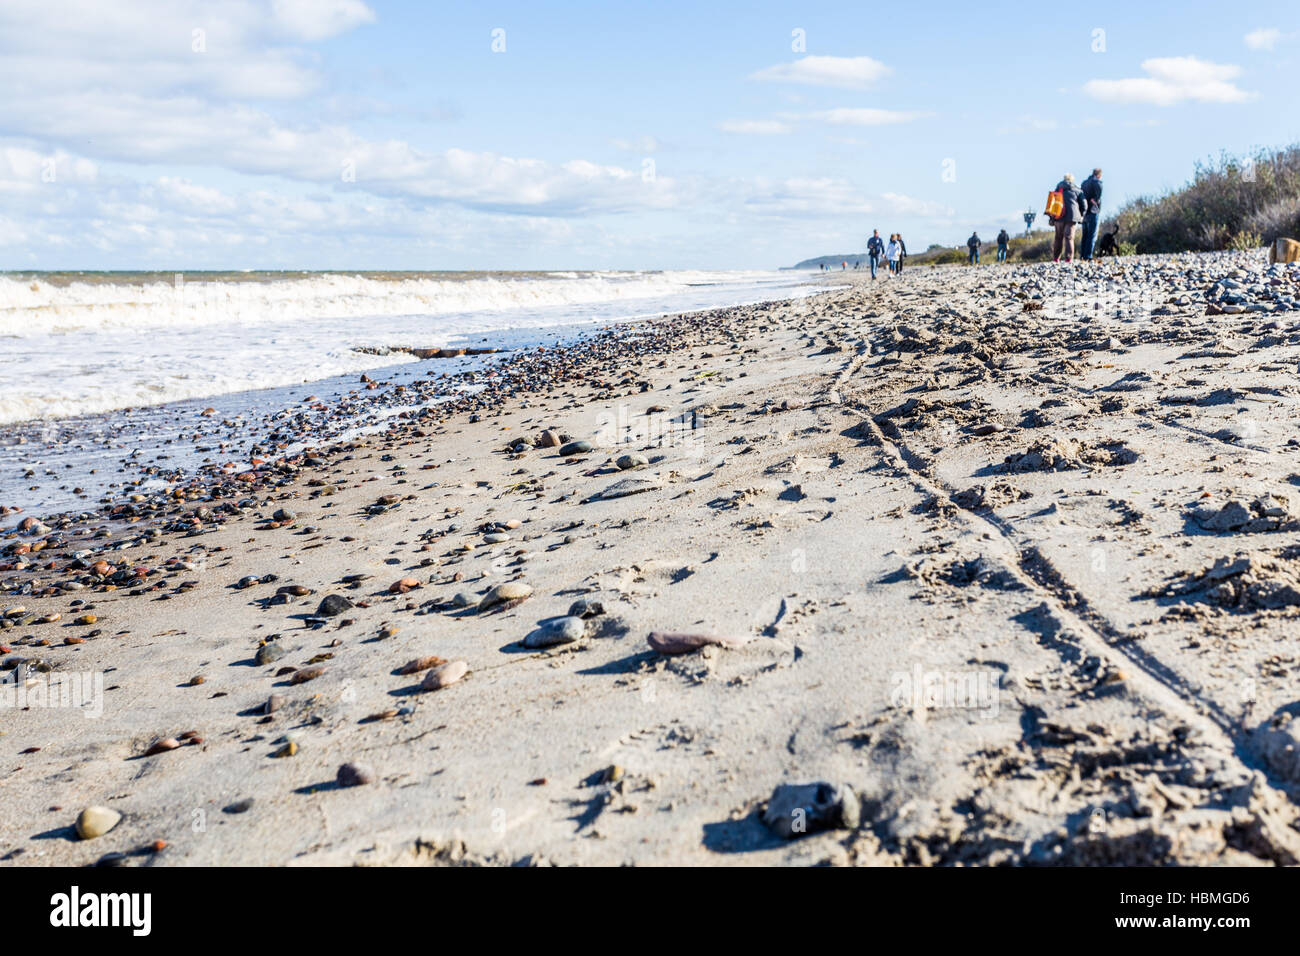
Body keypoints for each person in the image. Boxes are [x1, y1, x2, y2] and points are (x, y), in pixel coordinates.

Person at [1051, 173, 1087, 263]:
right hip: (1072, 217)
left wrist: (1052, 218)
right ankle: (1068, 258)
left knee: (1058, 237)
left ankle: (1056, 258)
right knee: (1069, 237)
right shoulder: (1077, 190)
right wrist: (1082, 214)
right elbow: (1084, 205)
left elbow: (1052, 203)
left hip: (1059, 216)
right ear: (1072, 180)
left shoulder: (1058, 189)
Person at [1080, 168, 1103, 260]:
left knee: (1085, 235)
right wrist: (1096, 200)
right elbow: (1097, 198)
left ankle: (1082, 255)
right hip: (1093, 211)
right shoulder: (1098, 183)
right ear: (1099, 175)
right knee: (1092, 235)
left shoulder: (1084, 183)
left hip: (1084, 212)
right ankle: (1088, 256)